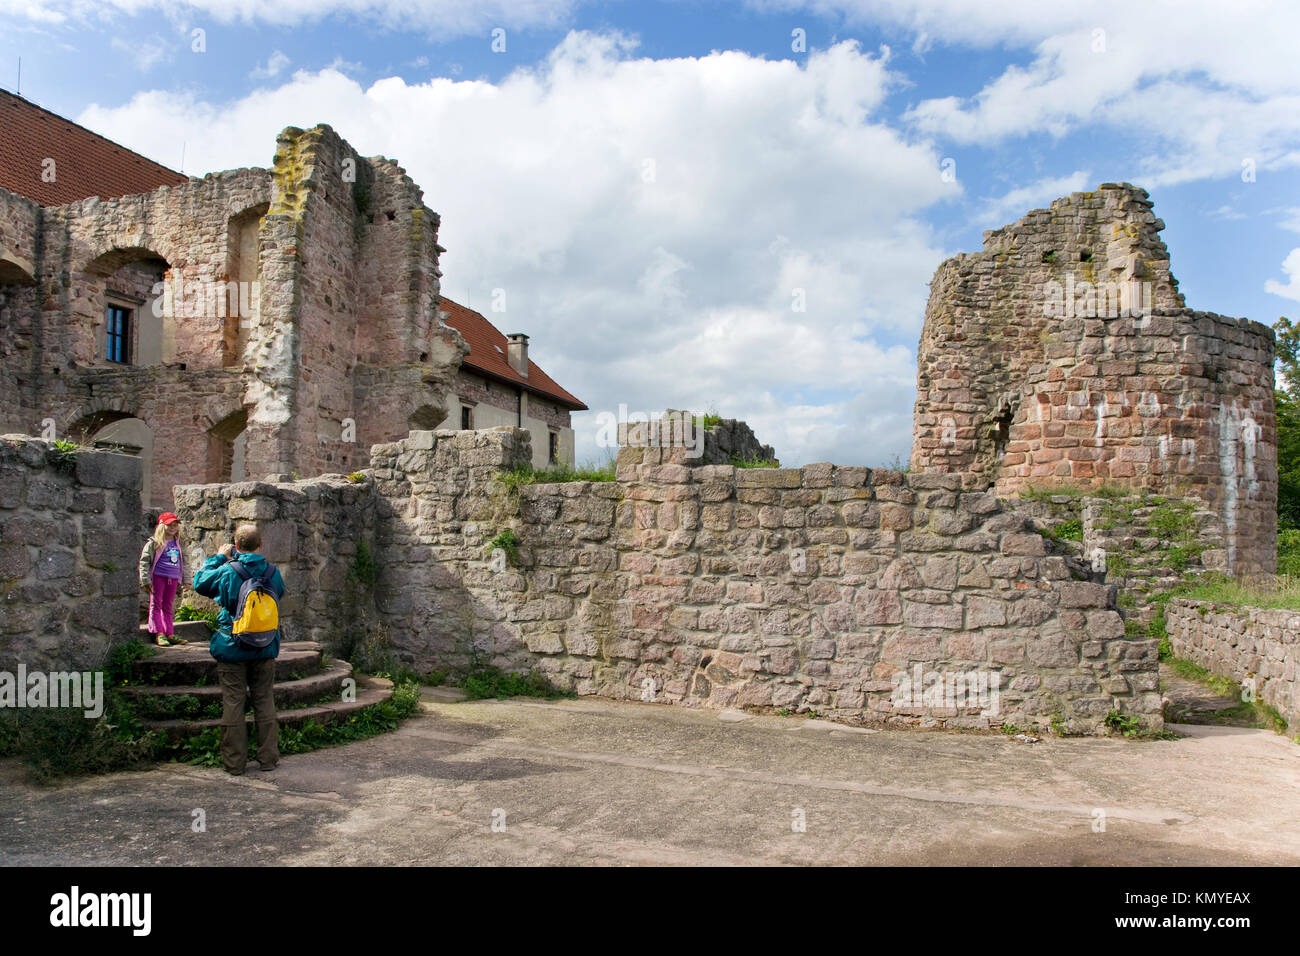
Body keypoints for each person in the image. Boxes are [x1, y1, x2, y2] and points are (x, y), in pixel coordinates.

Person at [192, 524, 285, 775]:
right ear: (260, 544)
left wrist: (219, 557)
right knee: (264, 699)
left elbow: (200, 583)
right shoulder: (272, 573)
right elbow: (279, 594)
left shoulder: (227, 570)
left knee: (234, 701)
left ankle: (235, 763)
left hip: (232, 645)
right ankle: (268, 758)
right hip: (265, 645)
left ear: (236, 544)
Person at [139, 512, 187, 646]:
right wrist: (145, 580)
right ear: (162, 526)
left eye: (175, 525)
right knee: (156, 604)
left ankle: (169, 633)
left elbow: (185, 562)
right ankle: (158, 633)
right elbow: (144, 562)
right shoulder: (154, 543)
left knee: (168, 605)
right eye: (169, 525)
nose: (172, 528)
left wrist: (186, 579)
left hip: (173, 578)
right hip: (158, 577)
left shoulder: (178, 543)